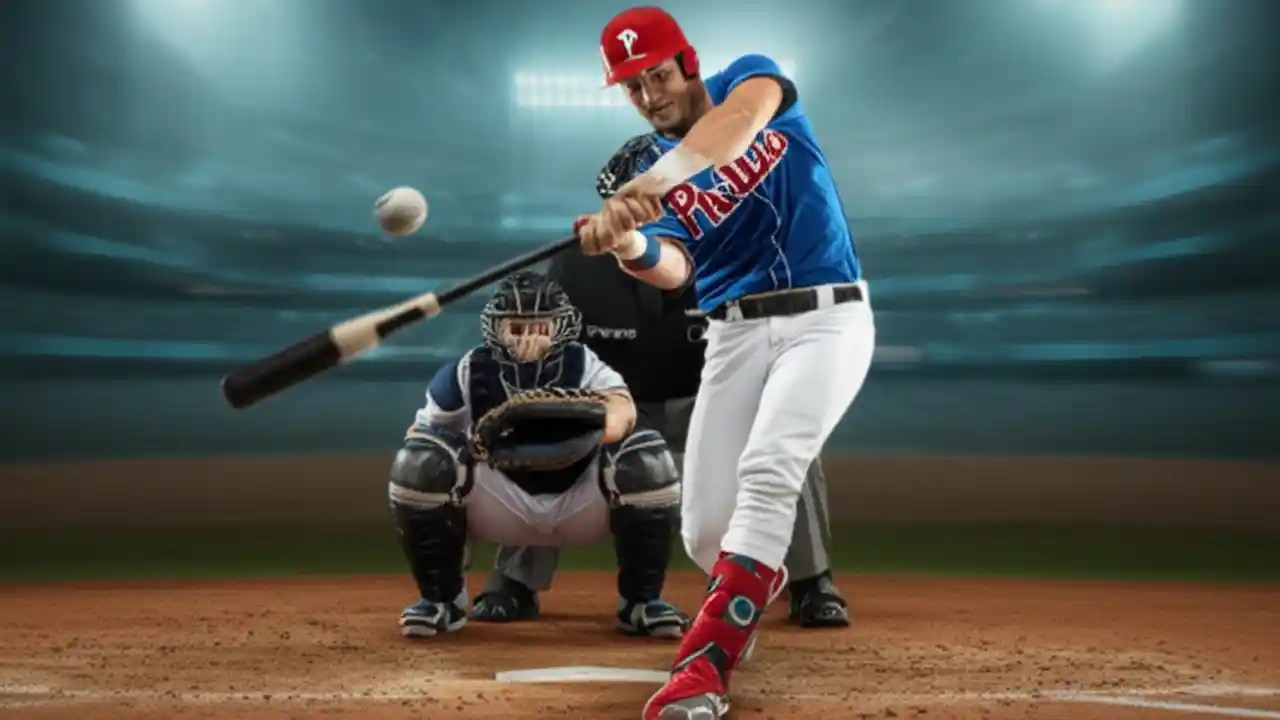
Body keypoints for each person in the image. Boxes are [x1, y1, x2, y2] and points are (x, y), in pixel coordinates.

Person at [576, 7, 877, 719]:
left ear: (686, 61)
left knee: (770, 469)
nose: (649, 95)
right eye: (632, 87)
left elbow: (740, 121)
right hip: (735, 333)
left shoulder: (747, 77)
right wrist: (625, 244)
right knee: (707, 531)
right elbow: (674, 266)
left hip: (827, 317)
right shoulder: (649, 168)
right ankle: (743, 597)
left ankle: (703, 673)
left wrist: (659, 182)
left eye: (656, 75)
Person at [469, 137, 852, 631]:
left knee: (782, 432)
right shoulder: (574, 267)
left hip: (713, 402)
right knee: (543, 421)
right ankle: (514, 580)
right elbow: (553, 354)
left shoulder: (742, 254)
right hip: (619, 404)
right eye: (634, 202)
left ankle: (812, 582)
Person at [387, 270, 686, 640]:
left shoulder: (583, 363)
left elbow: (622, 414)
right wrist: (472, 444)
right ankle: (441, 601)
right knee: (420, 461)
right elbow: (422, 432)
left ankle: (640, 602)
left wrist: (575, 414)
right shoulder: (471, 369)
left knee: (647, 458)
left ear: (561, 326)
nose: (528, 338)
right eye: (516, 327)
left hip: (578, 497)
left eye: (541, 327)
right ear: (496, 328)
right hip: (502, 500)